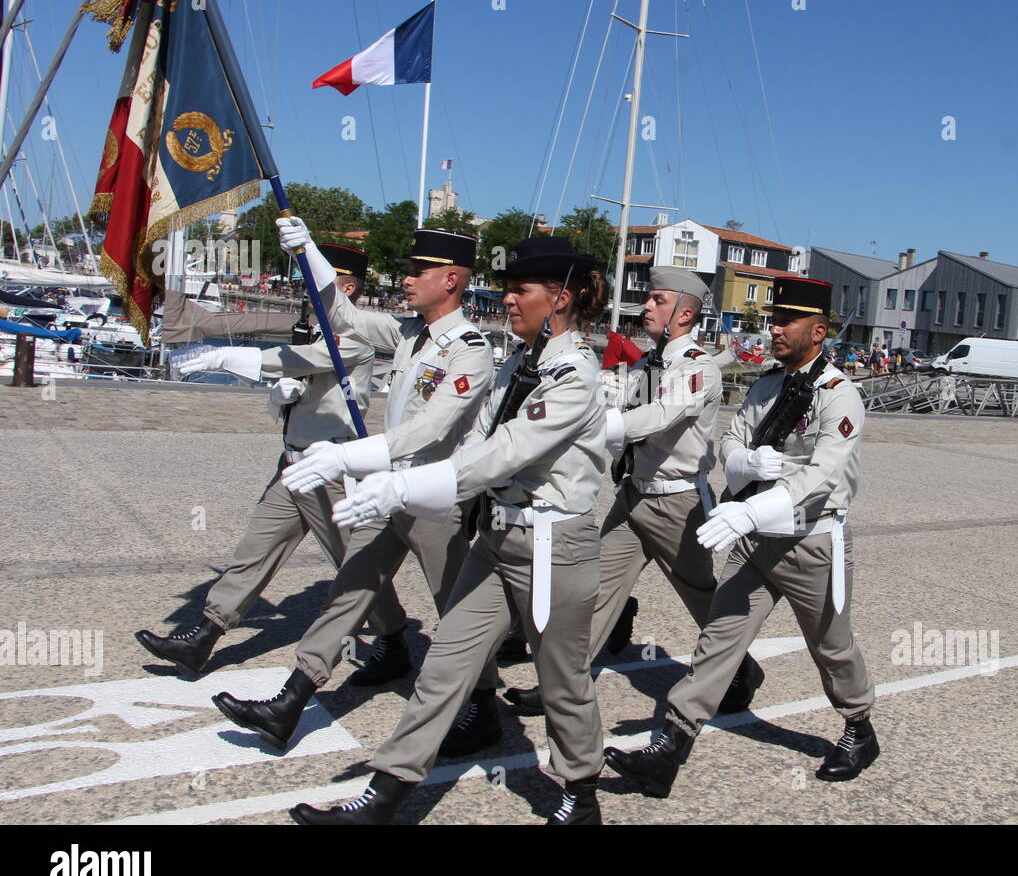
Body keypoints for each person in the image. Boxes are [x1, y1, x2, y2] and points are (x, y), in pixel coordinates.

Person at [289, 235, 611, 825]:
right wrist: (372, 464)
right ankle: (383, 797)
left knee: (561, 681)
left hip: (551, 547)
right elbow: (478, 441)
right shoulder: (520, 361)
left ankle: (580, 790)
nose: (508, 300)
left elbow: (505, 454)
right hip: (496, 539)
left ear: (560, 297)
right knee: (442, 668)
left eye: (520, 290)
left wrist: (402, 487)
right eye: (508, 289)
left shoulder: (576, 375)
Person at [208, 224, 496, 755]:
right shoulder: (409, 333)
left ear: (451, 280)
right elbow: (342, 315)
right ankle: (290, 702)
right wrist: (309, 254)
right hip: (389, 491)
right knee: (349, 588)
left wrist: (348, 457)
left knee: (456, 610)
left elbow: (432, 428)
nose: (407, 279)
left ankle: (483, 706)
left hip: (437, 498)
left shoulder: (470, 350)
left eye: (418, 271)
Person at [604, 275, 878, 800]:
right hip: (755, 542)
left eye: (786, 322)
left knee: (831, 646)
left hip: (810, 542)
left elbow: (822, 472)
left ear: (818, 331)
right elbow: (732, 435)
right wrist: (742, 461)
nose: (773, 329)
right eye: (773, 320)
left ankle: (859, 726)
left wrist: (753, 510)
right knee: (718, 640)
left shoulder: (839, 396)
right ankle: (670, 749)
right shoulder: (766, 386)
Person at [505, 266, 762, 718]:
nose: (646, 306)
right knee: (595, 589)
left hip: (677, 503)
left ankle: (740, 666)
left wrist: (592, 428)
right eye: (649, 298)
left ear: (684, 314)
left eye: (658, 300)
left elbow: (661, 415)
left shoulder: (699, 368)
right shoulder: (647, 363)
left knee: (701, 595)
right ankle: (561, 687)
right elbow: (617, 405)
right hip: (633, 495)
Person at [136, 246, 401, 679]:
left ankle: (392, 639)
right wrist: (278, 399)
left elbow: (297, 362)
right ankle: (204, 634)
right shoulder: (314, 331)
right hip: (293, 465)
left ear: (346, 288)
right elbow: (296, 393)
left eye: (320, 283)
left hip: (330, 469)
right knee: (255, 550)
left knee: (353, 565)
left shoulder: (353, 337)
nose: (307, 292)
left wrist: (222, 356)